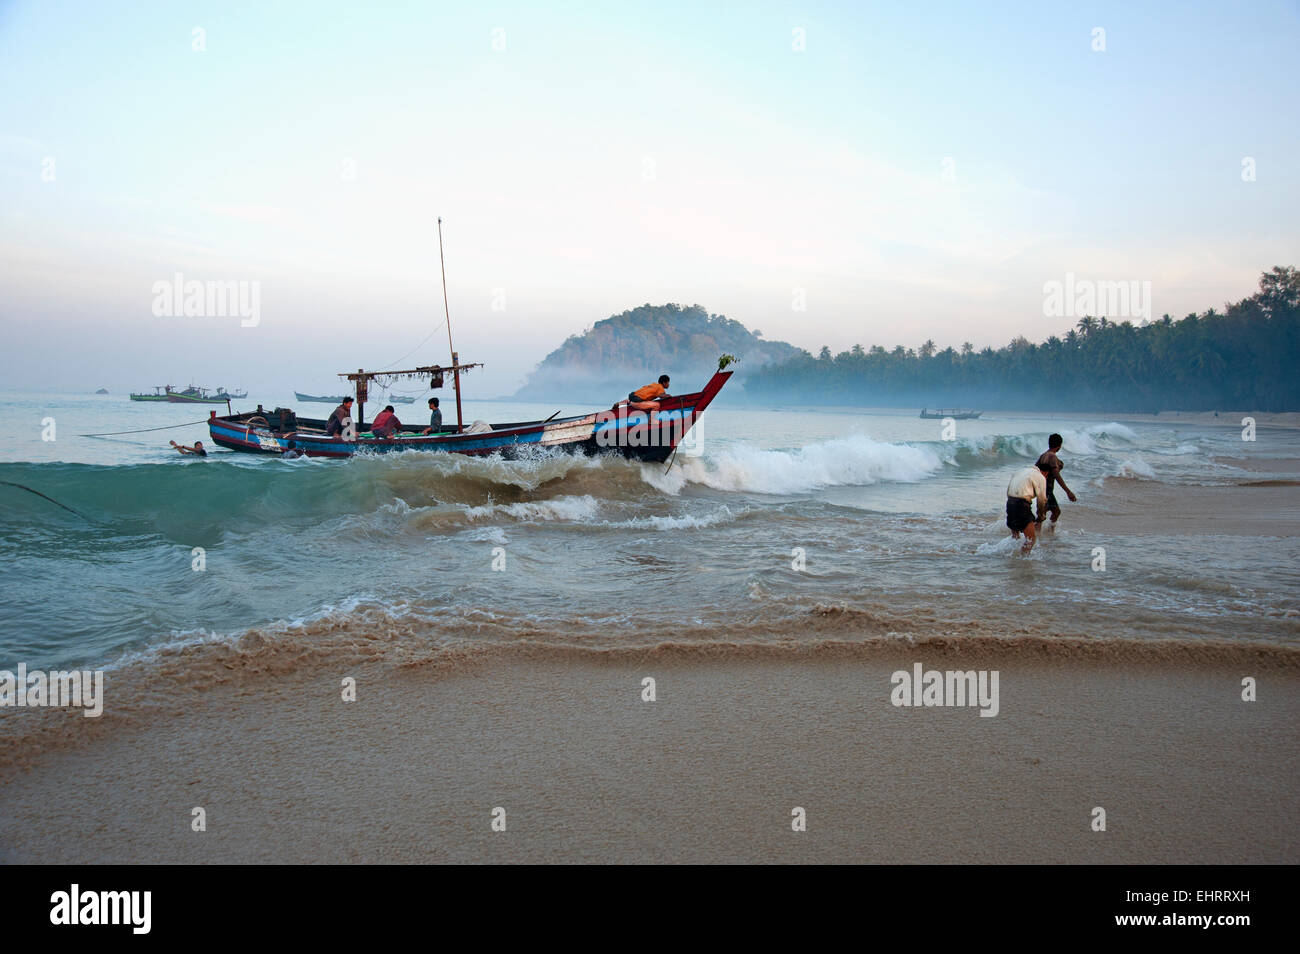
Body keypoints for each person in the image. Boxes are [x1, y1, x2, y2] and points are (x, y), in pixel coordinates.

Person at [1034, 433, 1078, 527]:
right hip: (1047, 490)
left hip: (1042, 489)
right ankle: (1036, 536)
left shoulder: (1043, 455)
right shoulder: (1052, 457)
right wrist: (1068, 491)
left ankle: (1046, 535)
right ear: (1059, 446)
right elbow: (1056, 475)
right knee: (1045, 515)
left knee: (1051, 513)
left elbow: (1034, 470)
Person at [1006, 464, 1047, 552]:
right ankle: (1022, 561)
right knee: (1031, 539)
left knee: (1015, 538)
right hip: (1022, 505)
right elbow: (1042, 500)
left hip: (1010, 503)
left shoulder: (1019, 472)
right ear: (1045, 473)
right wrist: (1040, 517)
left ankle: (1011, 558)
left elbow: (1008, 490)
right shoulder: (1040, 477)